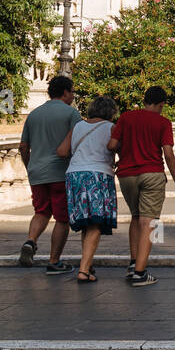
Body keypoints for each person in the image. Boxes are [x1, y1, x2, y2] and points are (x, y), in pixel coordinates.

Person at [108, 86, 175, 287]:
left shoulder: (126, 117)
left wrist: (125, 154)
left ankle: (134, 263)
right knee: (151, 222)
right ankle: (141, 273)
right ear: (161, 104)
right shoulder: (163, 122)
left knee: (135, 217)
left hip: (127, 175)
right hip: (152, 174)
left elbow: (112, 145)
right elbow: (168, 154)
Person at [17, 76, 82, 274]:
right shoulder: (71, 113)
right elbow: (80, 141)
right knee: (62, 219)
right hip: (61, 172)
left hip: (37, 171)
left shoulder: (34, 114)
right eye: (71, 92)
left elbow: (23, 146)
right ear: (64, 92)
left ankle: (31, 241)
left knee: (41, 211)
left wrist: (30, 166)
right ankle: (54, 261)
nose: (73, 96)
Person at [57, 95, 119, 283]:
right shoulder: (110, 127)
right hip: (97, 175)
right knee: (96, 223)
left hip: (74, 175)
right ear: (110, 112)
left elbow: (61, 151)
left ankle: (87, 263)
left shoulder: (78, 126)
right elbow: (117, 148)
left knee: (87, 222)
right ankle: (83, 270)